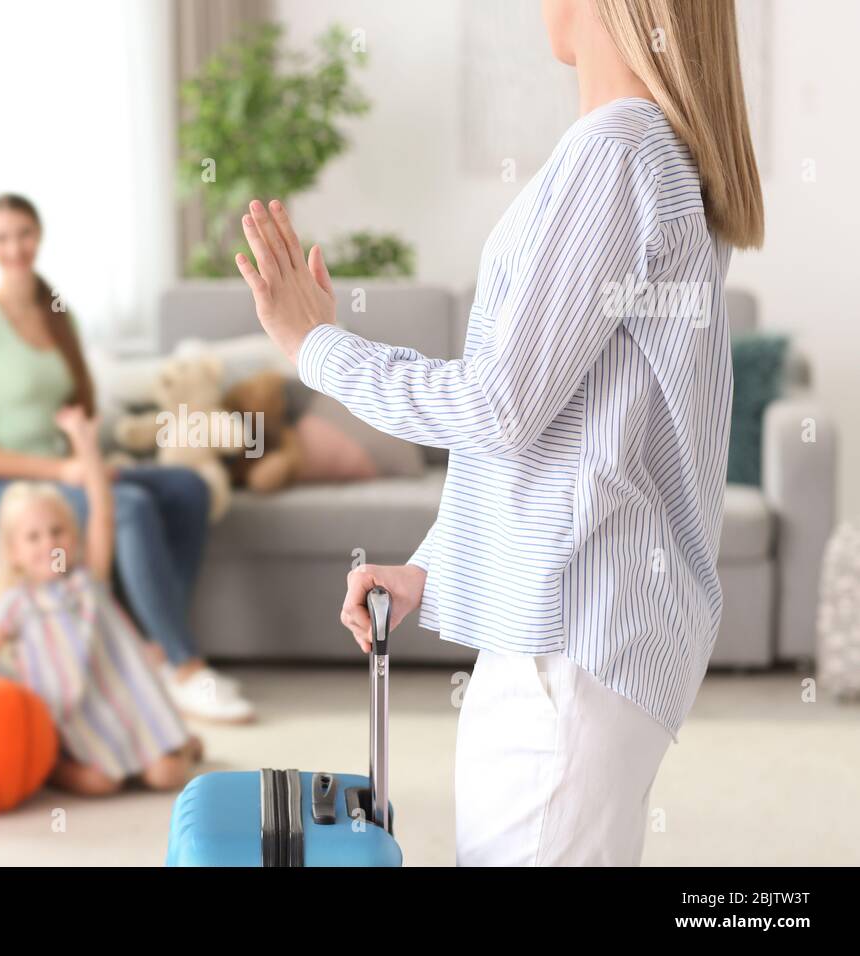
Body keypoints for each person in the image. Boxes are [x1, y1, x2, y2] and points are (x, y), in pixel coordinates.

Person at [233, 0, 762, 865]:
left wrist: (314, 348)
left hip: (568, 655)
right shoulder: (649, 157)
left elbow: (498, 408)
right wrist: (432, 571)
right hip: (573, 641)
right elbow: (579, 438)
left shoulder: (617, 155)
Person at [0, 192, 253, 722]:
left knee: (187, 486)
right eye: (2, 237)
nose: (15, 247)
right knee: (129, 505)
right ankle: (182, 665)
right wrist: (65, 473)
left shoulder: (57, 315)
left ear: (38, 237)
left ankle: (153, 647)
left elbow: (76, 413)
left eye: (24, 233)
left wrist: (88, 462)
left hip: (64, 468)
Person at [0, 406, 203, 795]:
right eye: (33, 537)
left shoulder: (89, 581)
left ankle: (180, 747)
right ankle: (51, 768)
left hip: (122, 707)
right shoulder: (15, 604)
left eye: (58, 531)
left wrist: (85, 445)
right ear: (13, 552)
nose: (49, 542)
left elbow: (103, 511)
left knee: (166, 778)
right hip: (73, 720)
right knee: (98, 785)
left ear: (73, 536)